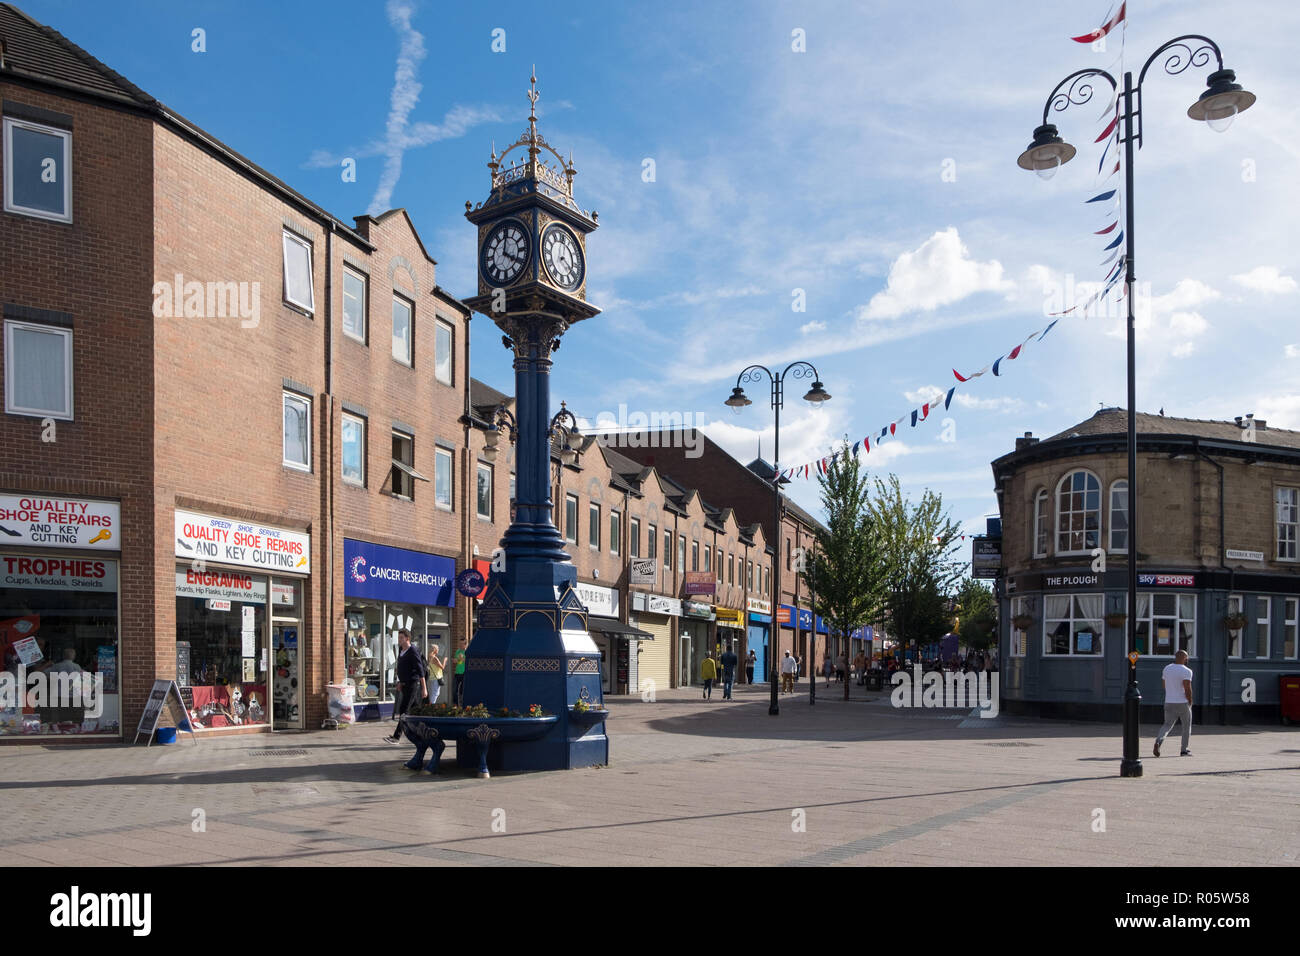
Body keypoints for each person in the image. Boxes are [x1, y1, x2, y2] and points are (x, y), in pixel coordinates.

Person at [386, 630, 427, 743]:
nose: (399, 640)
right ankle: (423, 731)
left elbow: (420, 670)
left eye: (401, 638)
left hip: (412, 684)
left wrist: (424, 688)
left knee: (404, 710)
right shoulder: (401, 650)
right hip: (404, 684)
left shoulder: (413, 651)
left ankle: (396, 736)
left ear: (407, 638)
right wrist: (399, 682)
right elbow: (401, 668)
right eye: (398, 638)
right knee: (416, 710)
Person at [1154, 649, 1194, 757]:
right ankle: (1184, 750)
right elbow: (1187, 688)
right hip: (1182, 702)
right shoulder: (1187, 671)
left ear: (1175, 657)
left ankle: (1158, 741)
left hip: (1169, 701)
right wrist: (1190, 701)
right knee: (1186, 726)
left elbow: (1164, 685)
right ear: (1185, 659)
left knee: (1167, 725)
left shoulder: (1167, 668)